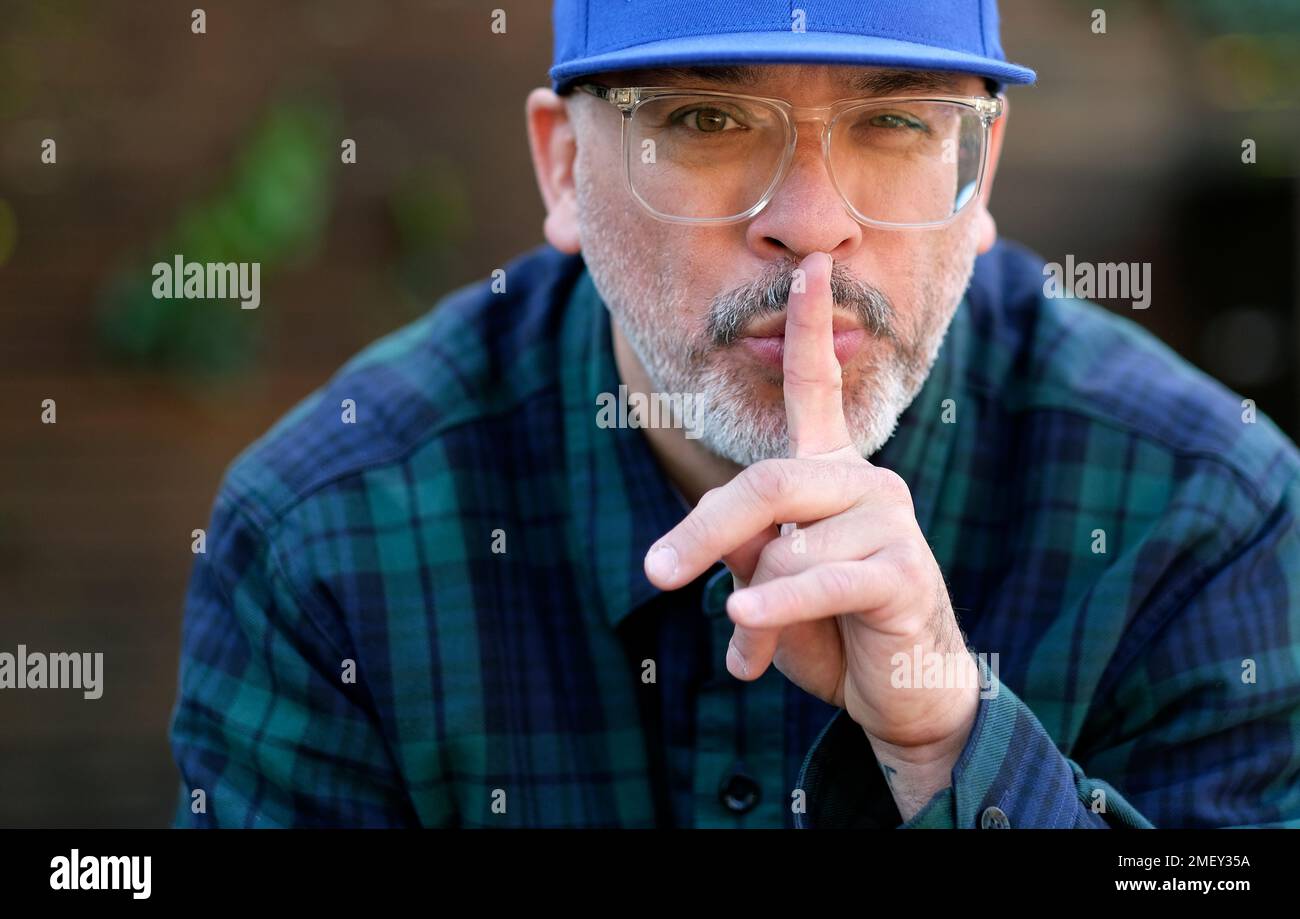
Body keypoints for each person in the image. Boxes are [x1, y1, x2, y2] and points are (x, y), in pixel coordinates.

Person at [169, 0, 1300, 828]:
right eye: (708, 118)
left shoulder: (1202, 510)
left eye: (897, 124)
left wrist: (952, 748)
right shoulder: (324, 537)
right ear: (564, 170)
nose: (811, 223)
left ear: (979, 173)